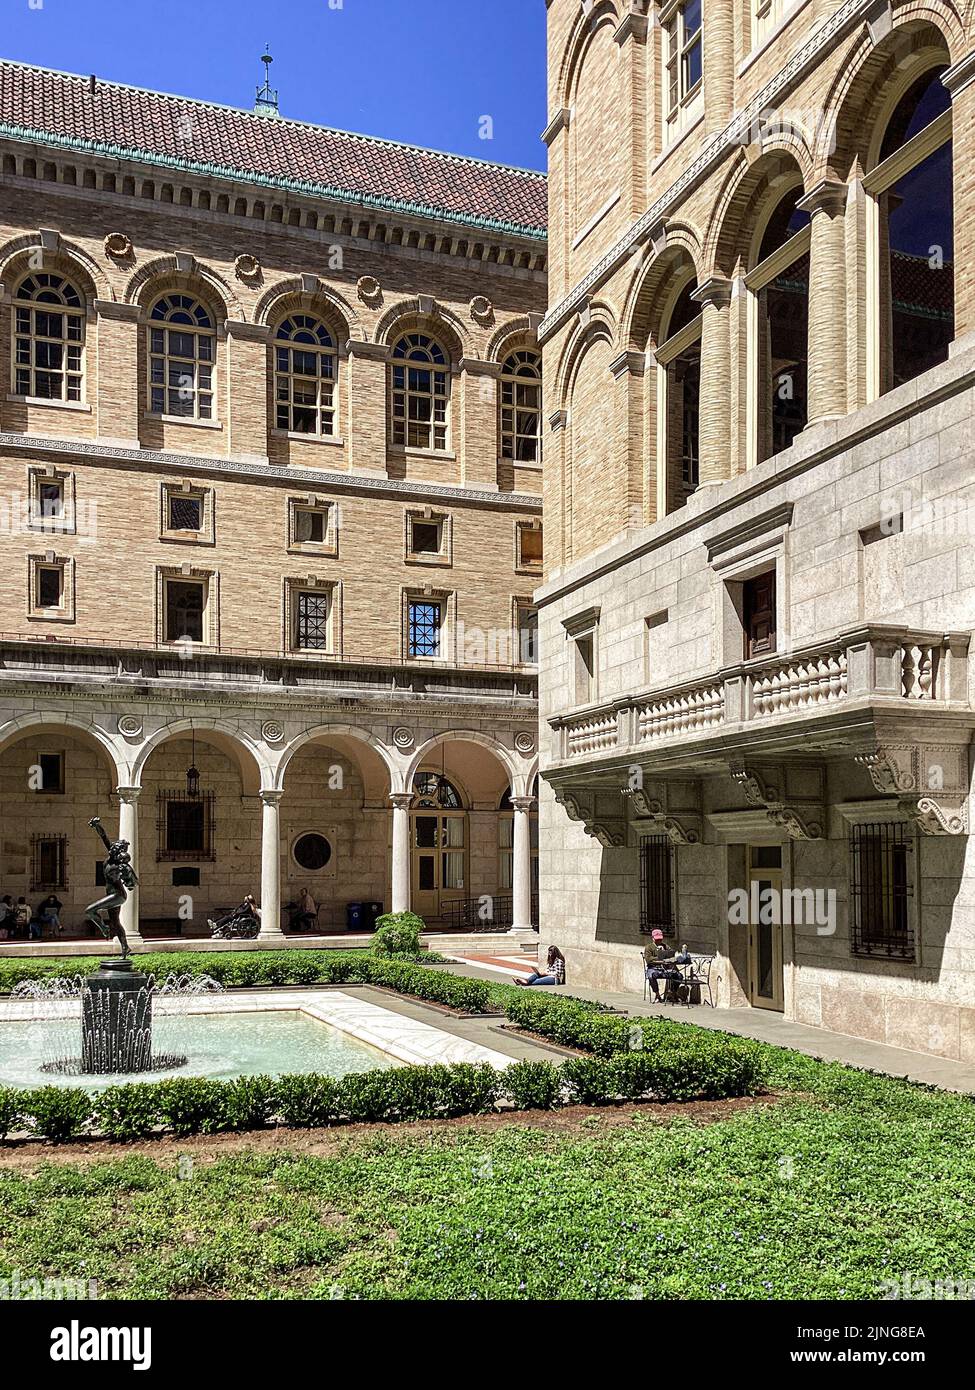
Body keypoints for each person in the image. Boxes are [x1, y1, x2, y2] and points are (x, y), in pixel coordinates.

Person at [644, 930, 682, 1003]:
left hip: (665, 968)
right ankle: (657, 994)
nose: (659, 941)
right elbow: (648, 959)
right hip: (653, 968)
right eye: (657, 939)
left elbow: (671, 954)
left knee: (679, 976)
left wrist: (667, 953)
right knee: (652, 976)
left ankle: (672, 992)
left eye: (660, 939)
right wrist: (660, 956)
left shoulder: (665, 946)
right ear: (653, 938)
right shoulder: (648, 947)